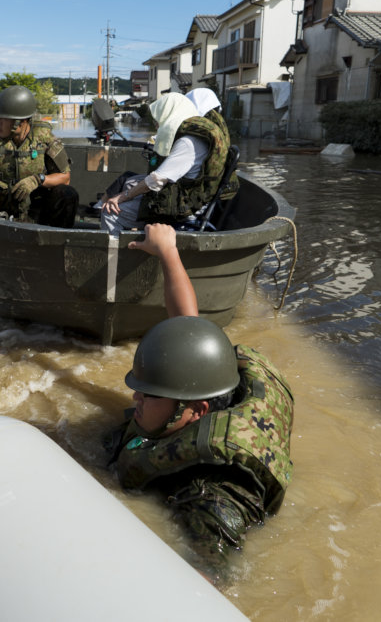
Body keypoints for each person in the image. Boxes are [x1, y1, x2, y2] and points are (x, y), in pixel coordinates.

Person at [107, 223, 295, 560]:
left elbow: (212, 578)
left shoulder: (211, 500)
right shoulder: (205, 381)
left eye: (149, 395)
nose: (136, 398)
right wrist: (167, 250)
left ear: (197, 411)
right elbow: (187, 327)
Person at [97, 92, 233, 235]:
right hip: (186, 196)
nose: (156, 124)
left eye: (159, 118)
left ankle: (115, 256)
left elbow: (156, 180)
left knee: (110, 212)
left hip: (184, 208)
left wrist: (121, 197)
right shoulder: (195, 135)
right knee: (129, 183)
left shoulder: (188, 142)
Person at [0, 85, 78, 228]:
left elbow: (65, 177)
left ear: (19, 122)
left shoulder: (43, 138)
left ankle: (57, 240)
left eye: (3, 119)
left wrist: (38, 180)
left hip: (36, 208)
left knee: (68, 194)